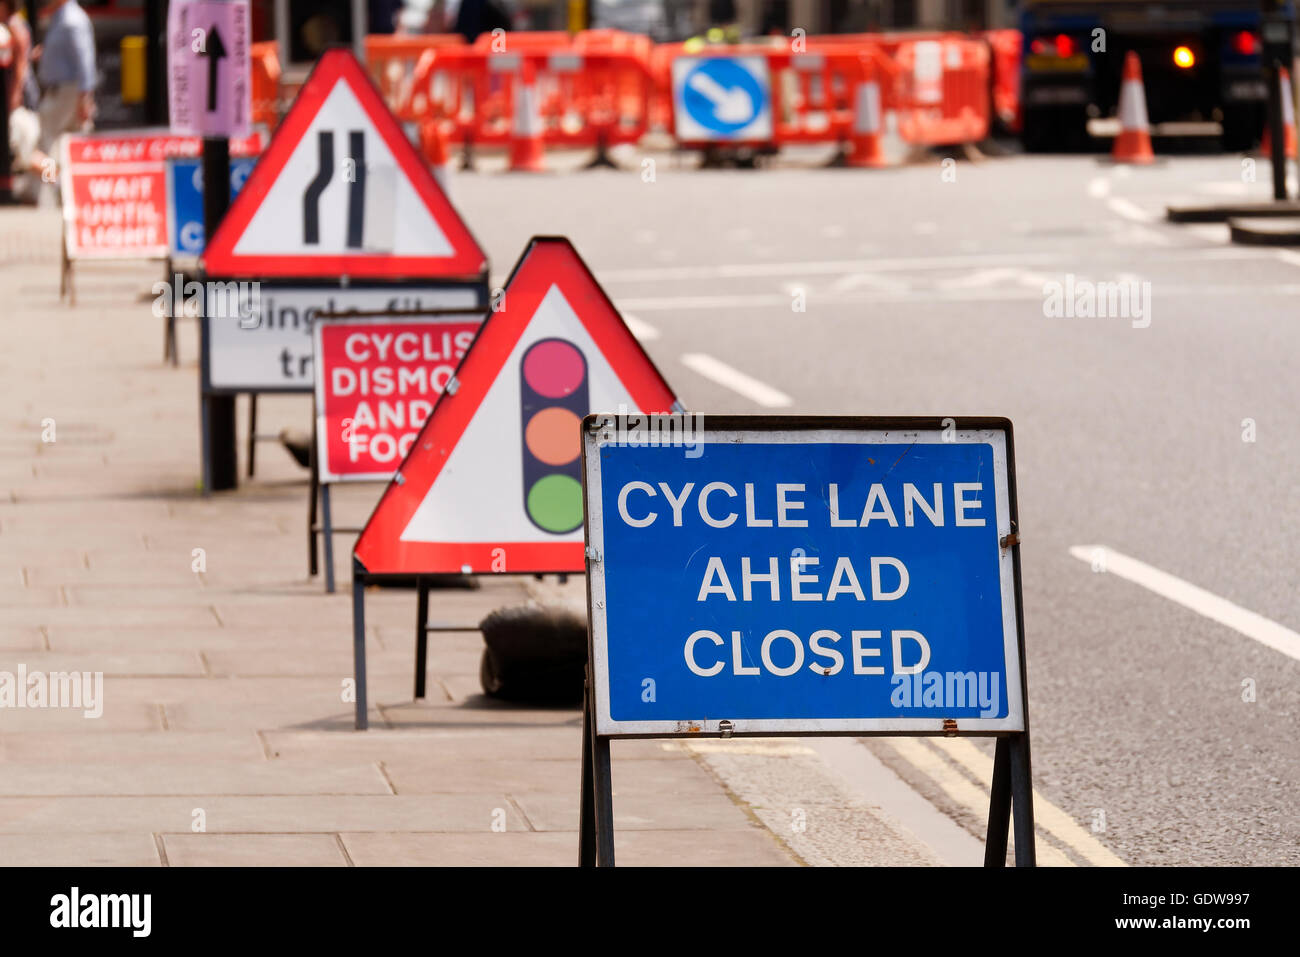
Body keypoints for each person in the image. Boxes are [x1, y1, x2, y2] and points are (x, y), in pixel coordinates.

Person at [34, 0, 95, 157]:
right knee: (61, 146)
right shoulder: (60, 17)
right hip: (60, 92)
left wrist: (85, 99)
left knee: (47, 142)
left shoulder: (72, 20)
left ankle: (48, 181)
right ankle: (58, 181)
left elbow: (85, 62)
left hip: (66, 93)